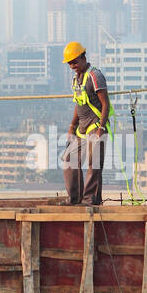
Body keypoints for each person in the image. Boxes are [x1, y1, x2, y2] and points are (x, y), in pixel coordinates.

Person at [61, 41, 111, 206]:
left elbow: (105, 103)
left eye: (74, 62)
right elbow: (79, 103)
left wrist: (101, 127)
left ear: (83, 57)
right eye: (69, 63)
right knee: (69, 159)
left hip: (95, 125)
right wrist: (72, 126)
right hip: (81, 127)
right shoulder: (77, 79)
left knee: (94, 162)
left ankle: (90, 199)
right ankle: (74, 198)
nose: (72, 66)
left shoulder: (95, 76)